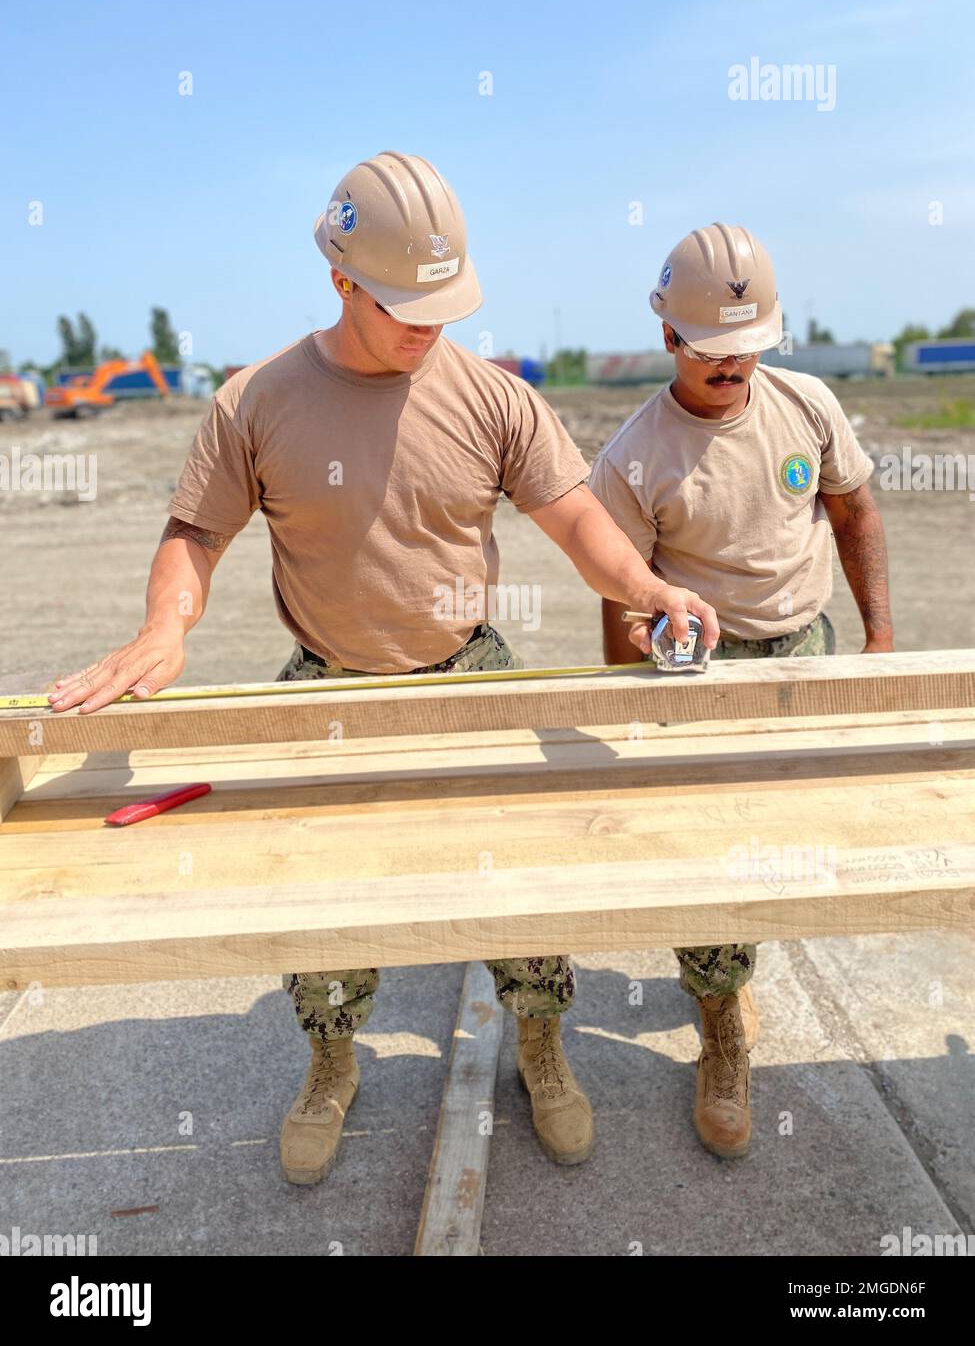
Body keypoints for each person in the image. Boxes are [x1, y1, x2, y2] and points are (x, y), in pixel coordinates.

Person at [48, 152, 719, 1184]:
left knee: (526, 878)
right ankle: (330, 1058)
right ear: (340, 280)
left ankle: (538, 1042)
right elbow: (196, 532)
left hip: (469, 672)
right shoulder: (255, 402)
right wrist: (165, 623)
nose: (426, 326)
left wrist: (647, 588)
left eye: (443, 303)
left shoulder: (494, 399)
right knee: (316, 897)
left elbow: (577, 516)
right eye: (404, 304)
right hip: (330, 686)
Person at [589, 222, 892, 1159]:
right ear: (670, 337)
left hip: (808, 653)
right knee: (705, 861)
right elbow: (617, 600)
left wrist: (878, 642)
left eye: (746, 347)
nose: (730, 366)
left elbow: (853, 510)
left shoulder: (805, 407)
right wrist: (637, 691)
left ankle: (735, 959)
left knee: (796, 850)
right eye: (711, 350)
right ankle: (720, 1022)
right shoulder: (633, 458)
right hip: (705, 676)